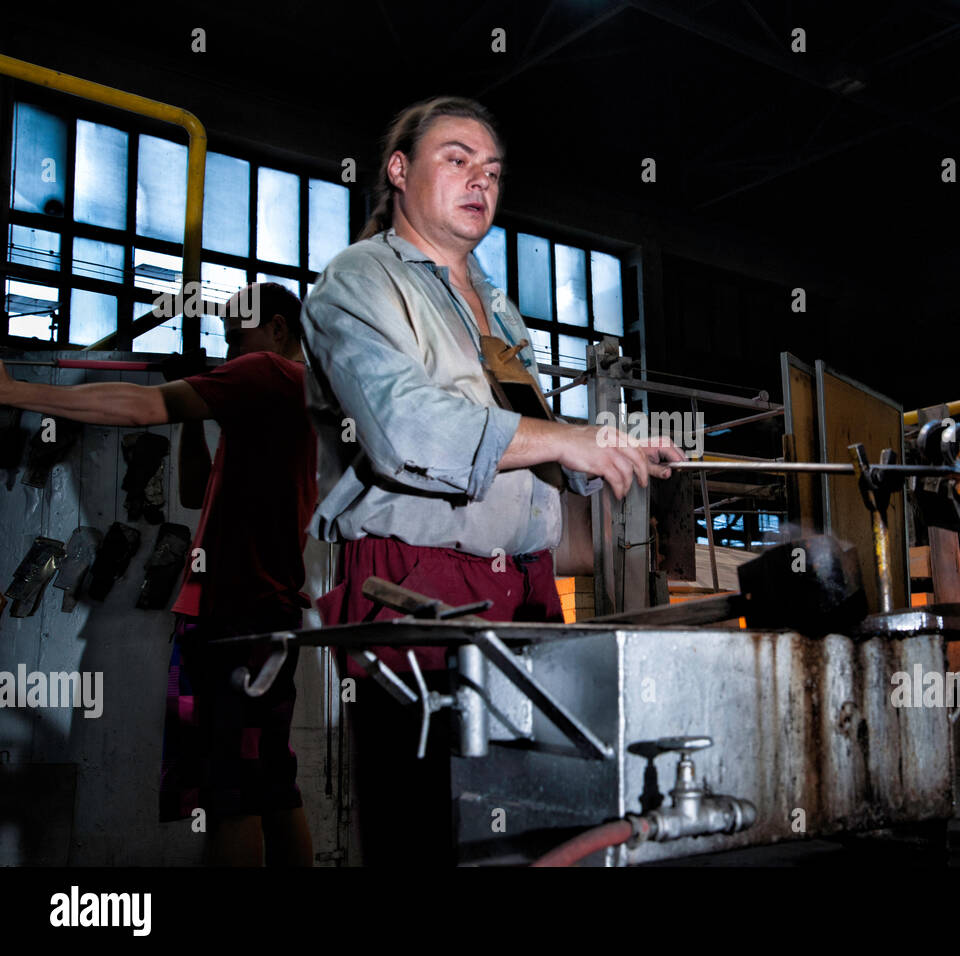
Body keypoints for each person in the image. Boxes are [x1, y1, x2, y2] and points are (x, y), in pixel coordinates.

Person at [301, 96, 682, 864]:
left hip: (525, 586)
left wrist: (602, 451)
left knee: (536, 816)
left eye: (493, 171)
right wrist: (567, 441)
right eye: (457, 160)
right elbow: (402, 431)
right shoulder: (358, 280)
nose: (481, 181)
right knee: (430, 825)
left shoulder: (498, 306)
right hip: (416, 584)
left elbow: (526, 433)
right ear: (400, 170)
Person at [0, 281, 316, 867]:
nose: (228, 354)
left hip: (237, 615)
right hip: (260, 613)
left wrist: (16, 391)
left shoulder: (270, 373)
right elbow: (196, 490)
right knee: (271, 787)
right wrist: (198, 410)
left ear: (276, 331)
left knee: (230, 796)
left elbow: (139, 405)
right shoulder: (280, 396)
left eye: (236, 338)